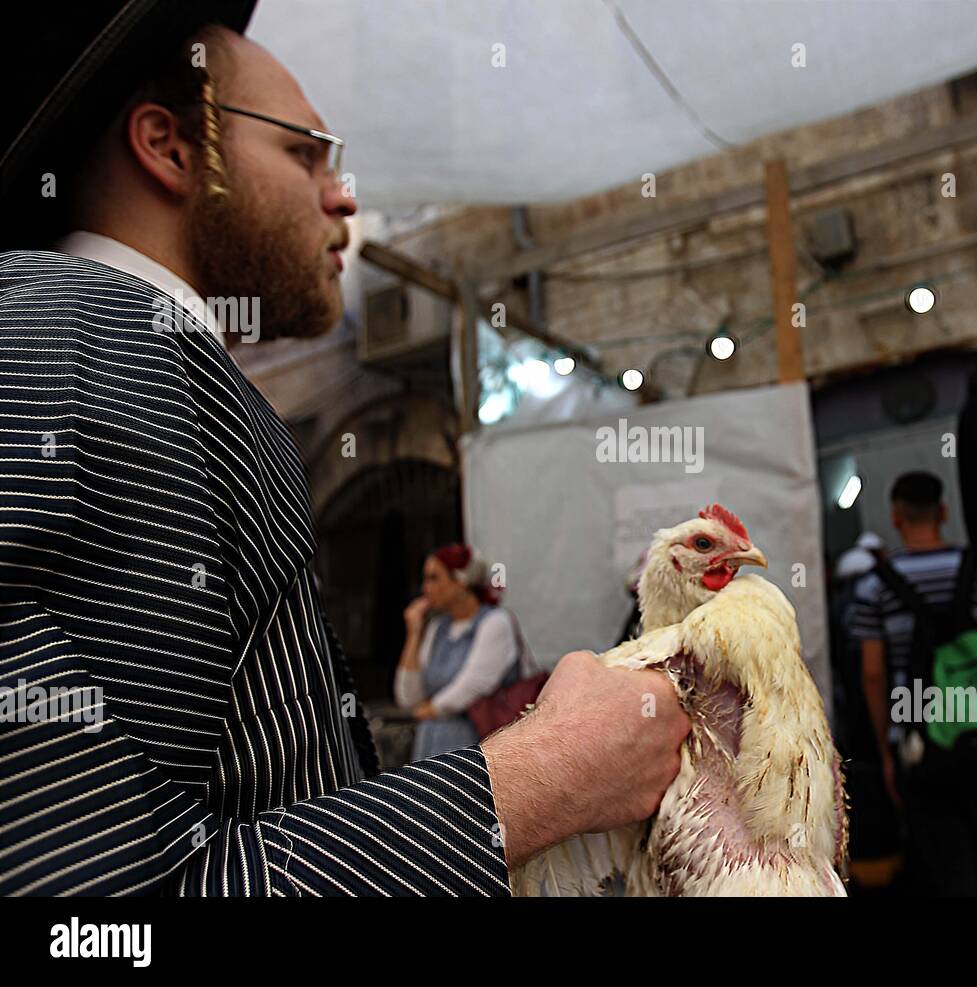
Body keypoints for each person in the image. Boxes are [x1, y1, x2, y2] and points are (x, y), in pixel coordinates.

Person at [0, 3, 689, 896]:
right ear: (168, 147)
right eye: (303, 151)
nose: (345, 196)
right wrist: (544, 777)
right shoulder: (84, 333)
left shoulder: (136, 349)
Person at [846, 471, 977, 896]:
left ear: (896, 518)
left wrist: (887, 748)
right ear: (943, 512)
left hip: (919, 738)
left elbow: (872, 673)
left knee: (946, 866)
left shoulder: (874, 586)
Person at [396, 545, 527, 758]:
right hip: (431, 746)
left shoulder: (495, 622)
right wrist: (413, 633)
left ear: (460, 581)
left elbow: (475, 684)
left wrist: (431, 709)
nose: (425, 588)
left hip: (475, 745)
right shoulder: (437, 628)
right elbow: (408, 696)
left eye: (434, 578)